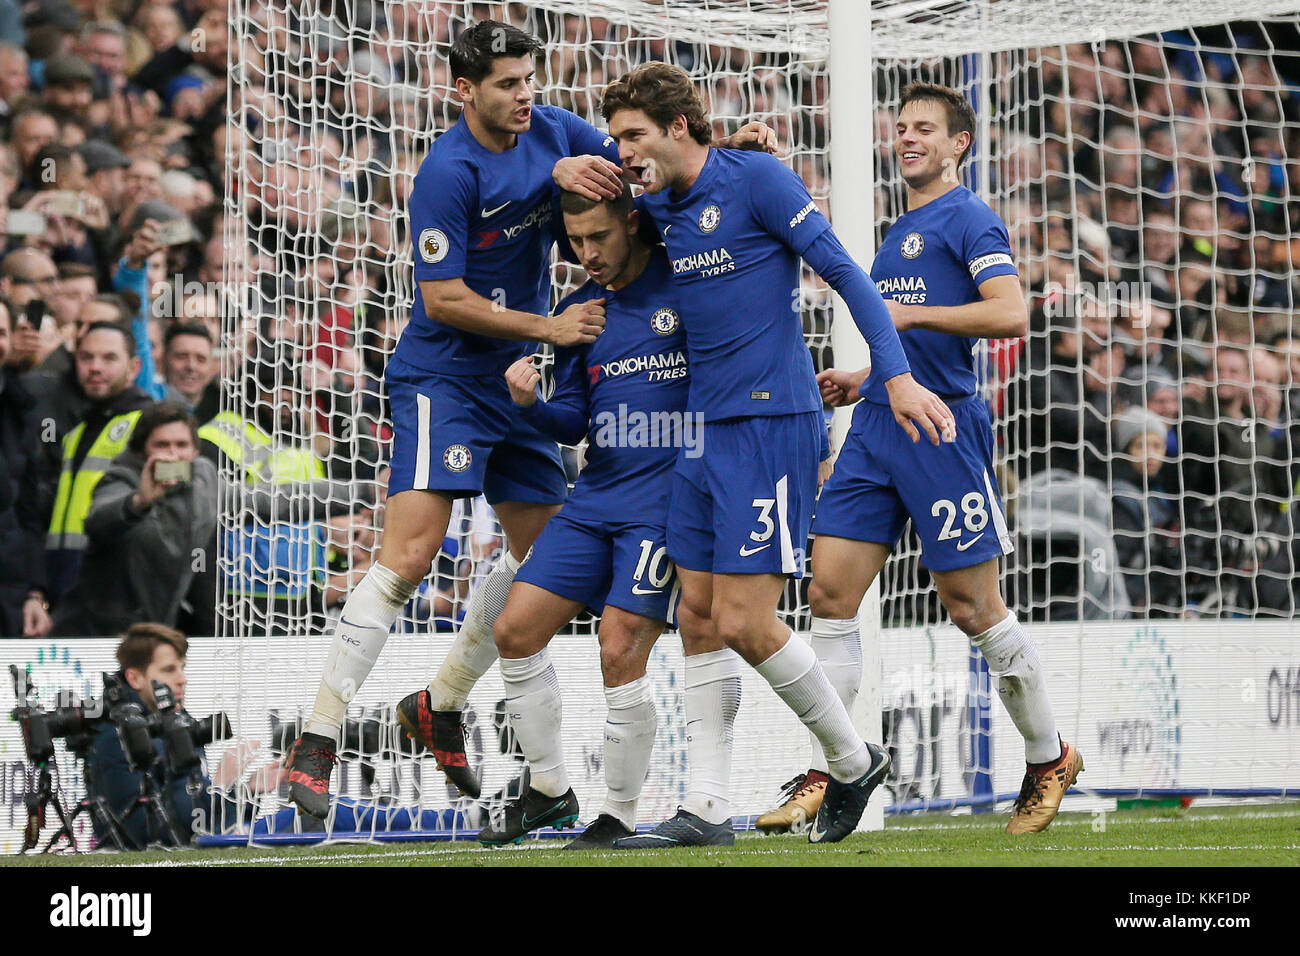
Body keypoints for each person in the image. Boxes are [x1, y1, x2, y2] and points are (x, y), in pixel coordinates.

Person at [285, 21, 772, 819]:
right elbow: (441, 299)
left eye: (530, 79)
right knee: (409, 555)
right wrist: (549, 330)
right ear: (463, 89)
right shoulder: (448, 171)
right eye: (507, 84)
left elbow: (639, 165)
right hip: (445, 375)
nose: (525, 96)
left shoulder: (552, 128)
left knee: (546, 563)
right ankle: (319, 735)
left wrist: (729, 152)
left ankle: (443, 703)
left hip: (512, 383)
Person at [600, 63, 953, 846]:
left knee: (743, 618)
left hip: (771, 422)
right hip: (702, 427)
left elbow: (848, 278)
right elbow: (659, 171)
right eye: (617, 137)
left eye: (633, 135)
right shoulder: (660, 197)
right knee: (695, 614)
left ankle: (853, 760)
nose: (622, 151)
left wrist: (892, 378)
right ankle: (706, 807)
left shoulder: (760, 180)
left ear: (678, 127)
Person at [776, 83, 1081, 836]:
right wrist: (863, 379)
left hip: (942, 430)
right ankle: (834, 766)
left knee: (972, 607)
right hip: (879, 425)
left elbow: (1011, 311)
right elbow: (904, 342)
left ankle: (1049, 758)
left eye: (924, 129)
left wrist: (909, 313)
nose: (907, 137)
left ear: (958, 145)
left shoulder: (969, 216)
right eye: (901, 127)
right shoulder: (899, 228)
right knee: (830, 596)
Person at [476, 185, 737, 848]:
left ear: (633, 224)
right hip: (595, 497)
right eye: (576, 241)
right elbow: (575, 422)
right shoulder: (578, 314)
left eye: (599, 237)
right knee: (513, 629)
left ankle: (618, 816)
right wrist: (530, 404)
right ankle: (551, 788)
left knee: (619, 645)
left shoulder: (690, 286)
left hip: (663, 503)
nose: (587, 253)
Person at [85, 623, 285, 848]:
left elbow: (197, 812)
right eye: (169, 670)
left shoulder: (178, 722)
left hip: (196, 846)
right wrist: (219, 786)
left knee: (312, 819)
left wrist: (246, 792)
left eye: (183, 668)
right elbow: (146, 835)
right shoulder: (116, 737)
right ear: (135, 678)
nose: (182, 679)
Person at [49, 401, 215, 636]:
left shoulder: (202, 482)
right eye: (161, 444)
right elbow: (98, 519)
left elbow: (256, 500)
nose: (172, 454)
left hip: (154, 630)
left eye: (181, 445)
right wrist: (139, 502)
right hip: (95, 630)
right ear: (140, 450)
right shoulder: (121, 477)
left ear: (195, 451)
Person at [36, 321, 152, 624]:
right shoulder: (76, 428)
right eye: (86, 358)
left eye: (109, 358)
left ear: (134, 366)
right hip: (64, 587)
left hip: (114, 596)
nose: (95, 367)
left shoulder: (148, 425)